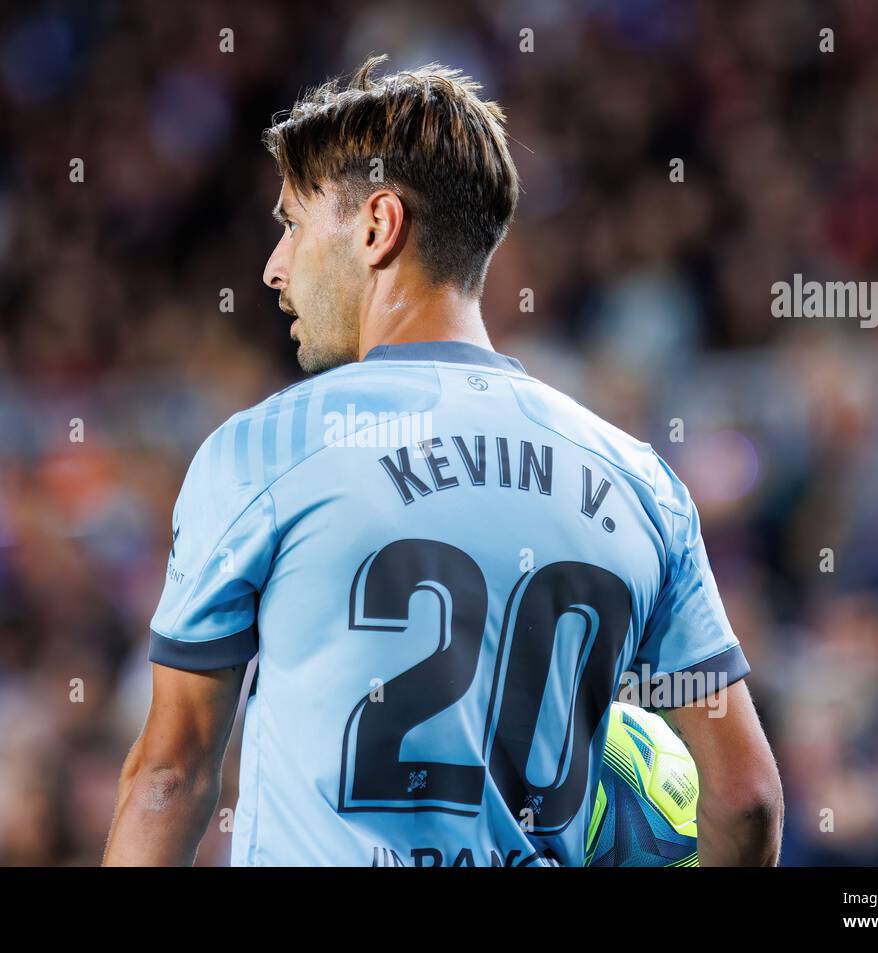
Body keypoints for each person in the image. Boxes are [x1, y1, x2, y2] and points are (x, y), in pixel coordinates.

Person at [103, 55, 782, 867]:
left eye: (290, 223)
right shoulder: (641, 483)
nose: (273, 268)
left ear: (377, 226)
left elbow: (171, 776)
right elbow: (747, 800)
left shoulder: (262, 450)